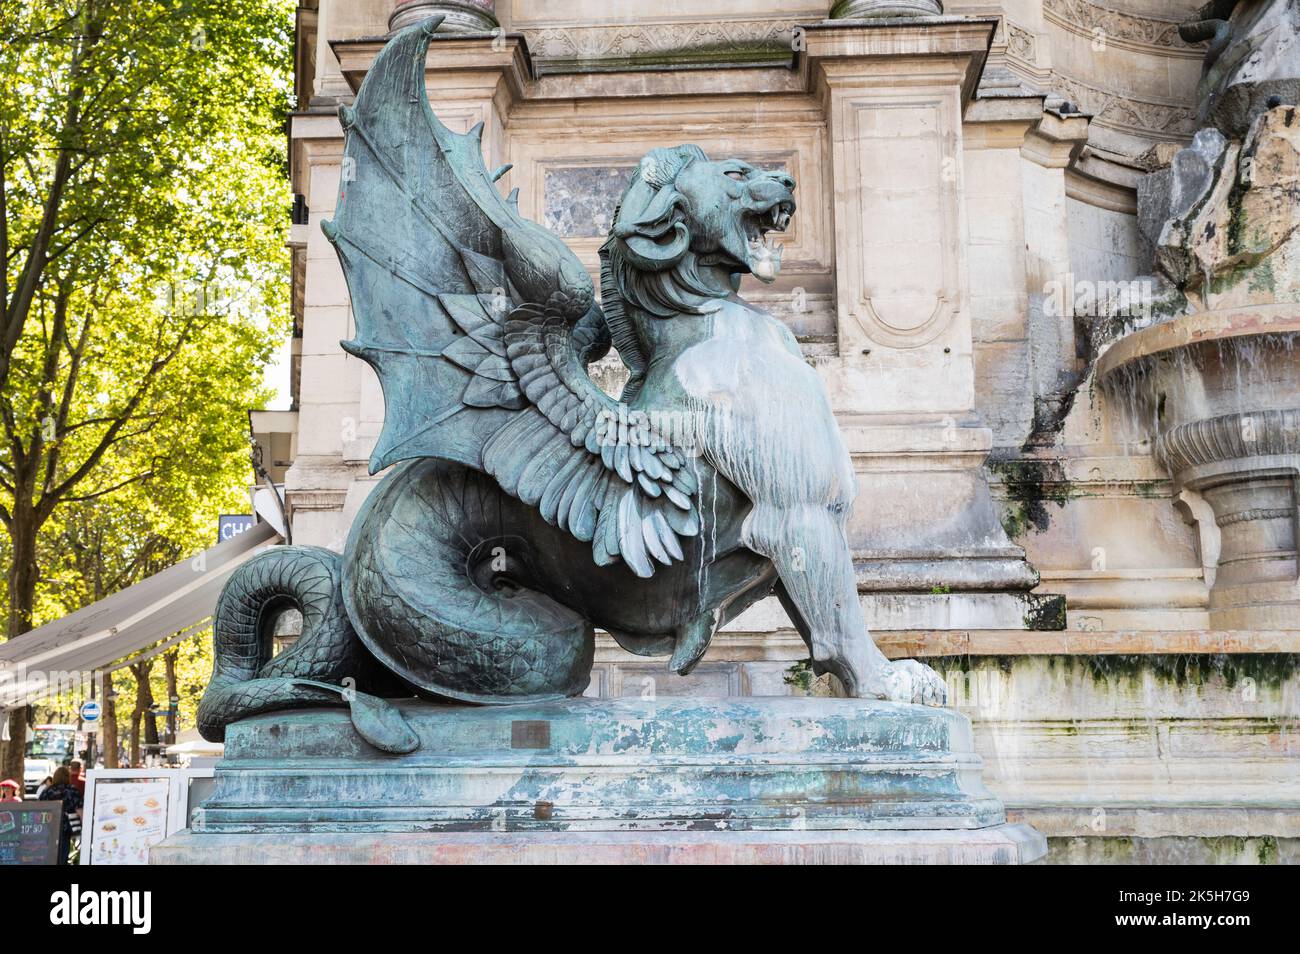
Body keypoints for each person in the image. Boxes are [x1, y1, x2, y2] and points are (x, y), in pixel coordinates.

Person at [42, 767, 83, 865]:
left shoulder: (47, 791)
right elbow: (80, 811)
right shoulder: (72, 791)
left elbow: (40, 808)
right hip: (65, 828)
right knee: (63, 856)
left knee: (49, 856)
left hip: (49, 828)